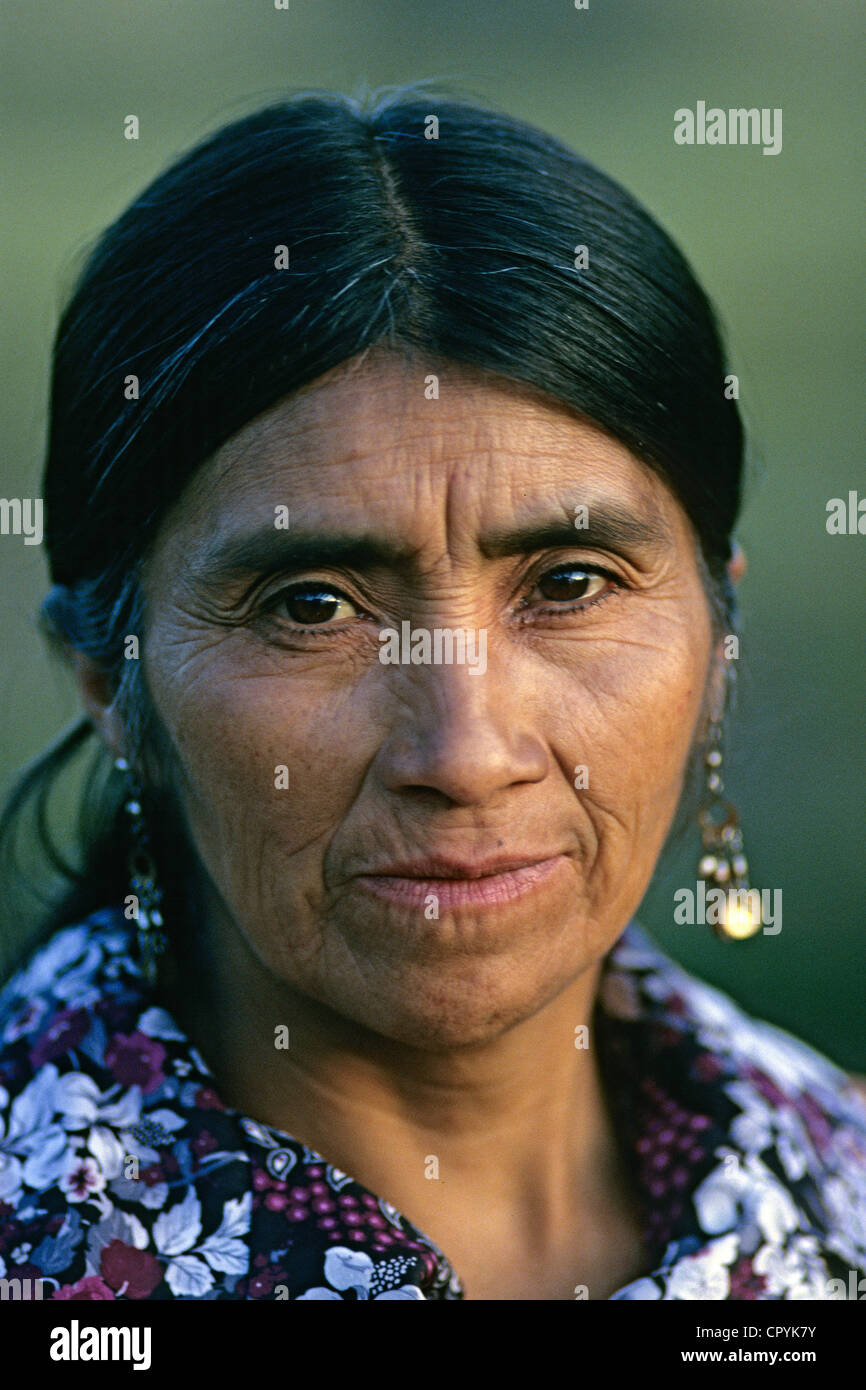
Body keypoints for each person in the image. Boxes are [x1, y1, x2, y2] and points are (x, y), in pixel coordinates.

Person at [1, 83, 864, 1302]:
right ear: (108, 682)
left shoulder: (832, 1198)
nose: (461, 751)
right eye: (310, 605)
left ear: (714, 633)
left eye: (568, 581)